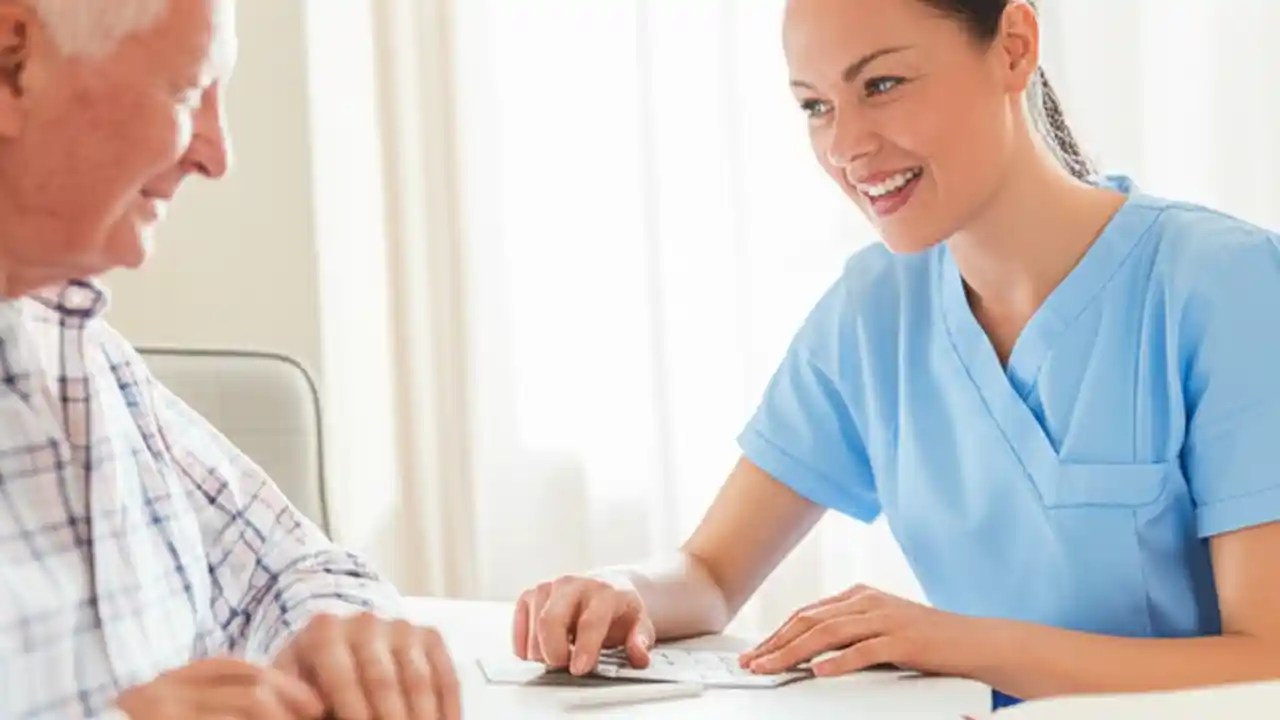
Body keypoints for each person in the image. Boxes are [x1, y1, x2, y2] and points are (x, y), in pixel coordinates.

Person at [510, 0, 1280, 709]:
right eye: (815, 106)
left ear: (1013, 49)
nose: (845, 146)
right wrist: (619, 590)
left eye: (881, 84)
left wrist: (956, 643)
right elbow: (709, 574)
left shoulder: (1224, 288)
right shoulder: (874, 312)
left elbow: (1269, 657)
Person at [0, 1, 459, 718]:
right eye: (186, 91)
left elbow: (296, 569)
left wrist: (334, 647)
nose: (217, 154)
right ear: (12, 65)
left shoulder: (74, 346)